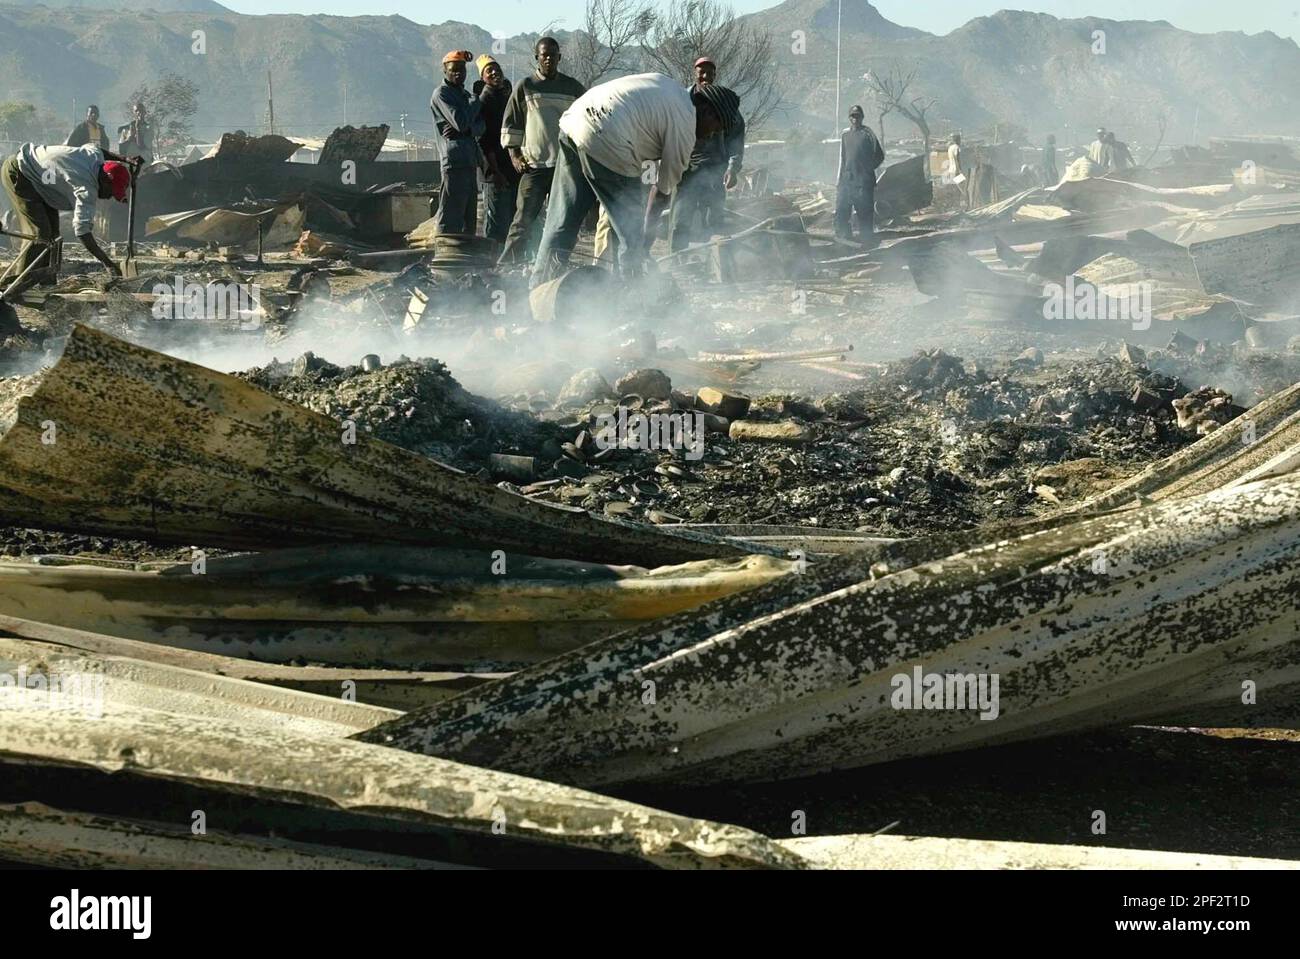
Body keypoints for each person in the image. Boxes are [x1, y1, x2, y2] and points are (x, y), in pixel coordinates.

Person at [530, 72, 722, 285]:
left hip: (575, 122)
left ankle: (539, 289)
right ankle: (630, 295)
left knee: (562, 218)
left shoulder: (670, 88)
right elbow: (661, 194)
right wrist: (643, 243)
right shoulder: (686, 124)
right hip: (609, 136)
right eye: (716, 128)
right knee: (630, 231)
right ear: (707, 112)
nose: (712, 135)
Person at [1, 142, 135, 296]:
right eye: (111, 191)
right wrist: (108, 264)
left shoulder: (94, 158)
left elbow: (98, 148)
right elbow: (82, 232)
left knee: (54, 238)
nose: (110, 196)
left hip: (42, 182)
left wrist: (125, 159)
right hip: (20, 171)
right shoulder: (86, 189)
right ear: (105, 179)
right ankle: (13, 291)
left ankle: (48, 287)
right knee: (41, 235)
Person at [498, 37, 586, 266]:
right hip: (535, 166)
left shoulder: (573, 88)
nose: (548, 59)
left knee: (562, 221)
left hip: (564, 167)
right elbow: (511, 123)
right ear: (537, 57)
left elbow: (588, 118)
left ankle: (554, 266)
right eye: (544, 55)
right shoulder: (526, 86)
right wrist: (514, 155)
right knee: (523, 220)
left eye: (553, 55)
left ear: (560, 57)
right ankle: (507, 268)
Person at [669, 56, 745, 251]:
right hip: (686, 171)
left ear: (715, 76)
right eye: (701, 72)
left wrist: (732, 169)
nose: (705, 76)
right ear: (695, 73)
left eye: (710, 73)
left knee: (714, 221)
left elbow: (735, 141)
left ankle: (711, 262)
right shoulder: (683, 102)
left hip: (715, 171)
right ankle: (677, 261)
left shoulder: (724, 105)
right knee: (680, 220)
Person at [431, 49, 485, 236]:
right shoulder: (442, 94)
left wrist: (467, 128)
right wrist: (476, 100)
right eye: (454, 69)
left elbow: (480, 126)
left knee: (468, 217)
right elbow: (460, 122)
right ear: (445, 71)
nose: (458, 73)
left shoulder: (463, 94)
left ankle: (466, 259)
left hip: (469, 161)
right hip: (453, 163)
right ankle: (446, 256)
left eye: (462, 69)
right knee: (451, 214)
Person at [474, 54, 518, 245]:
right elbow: (485, 141)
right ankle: (492, 263)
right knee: (495, 220)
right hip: (494, 171)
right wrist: (496, 171)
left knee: (512, 217)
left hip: (511, 167)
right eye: (488, 70)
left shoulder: (507, 97)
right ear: (483, 77)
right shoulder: (484, 101)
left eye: (496, 69)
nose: (494, 73)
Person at [834, 105, 884, 243]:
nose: (855, 118)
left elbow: (880, 156)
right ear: (849, 118)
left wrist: (868, 169)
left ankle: (867, 240)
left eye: (858, 116)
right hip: (847, 181)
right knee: (842, 210)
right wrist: (839, 180)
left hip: (864, 182)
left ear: (862, 117)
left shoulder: (868, 133)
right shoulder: (845, 135)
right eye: (853, 116)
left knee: (865, 213)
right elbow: (842, 159)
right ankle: (844, 239)